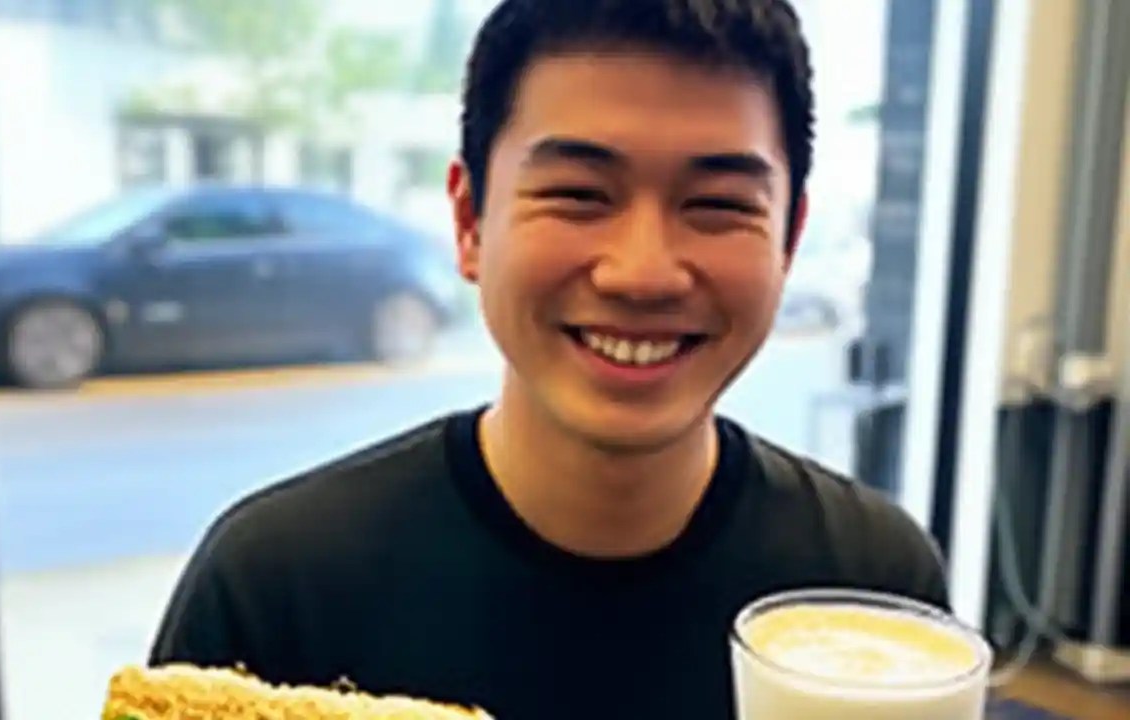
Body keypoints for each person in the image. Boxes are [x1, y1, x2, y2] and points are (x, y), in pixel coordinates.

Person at [150, 1, 948, 717]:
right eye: (578, 193)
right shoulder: (277, 589)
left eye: (716, 206)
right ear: (470, 221)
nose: (642, 272)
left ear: (789, 239)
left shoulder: (872, 591)